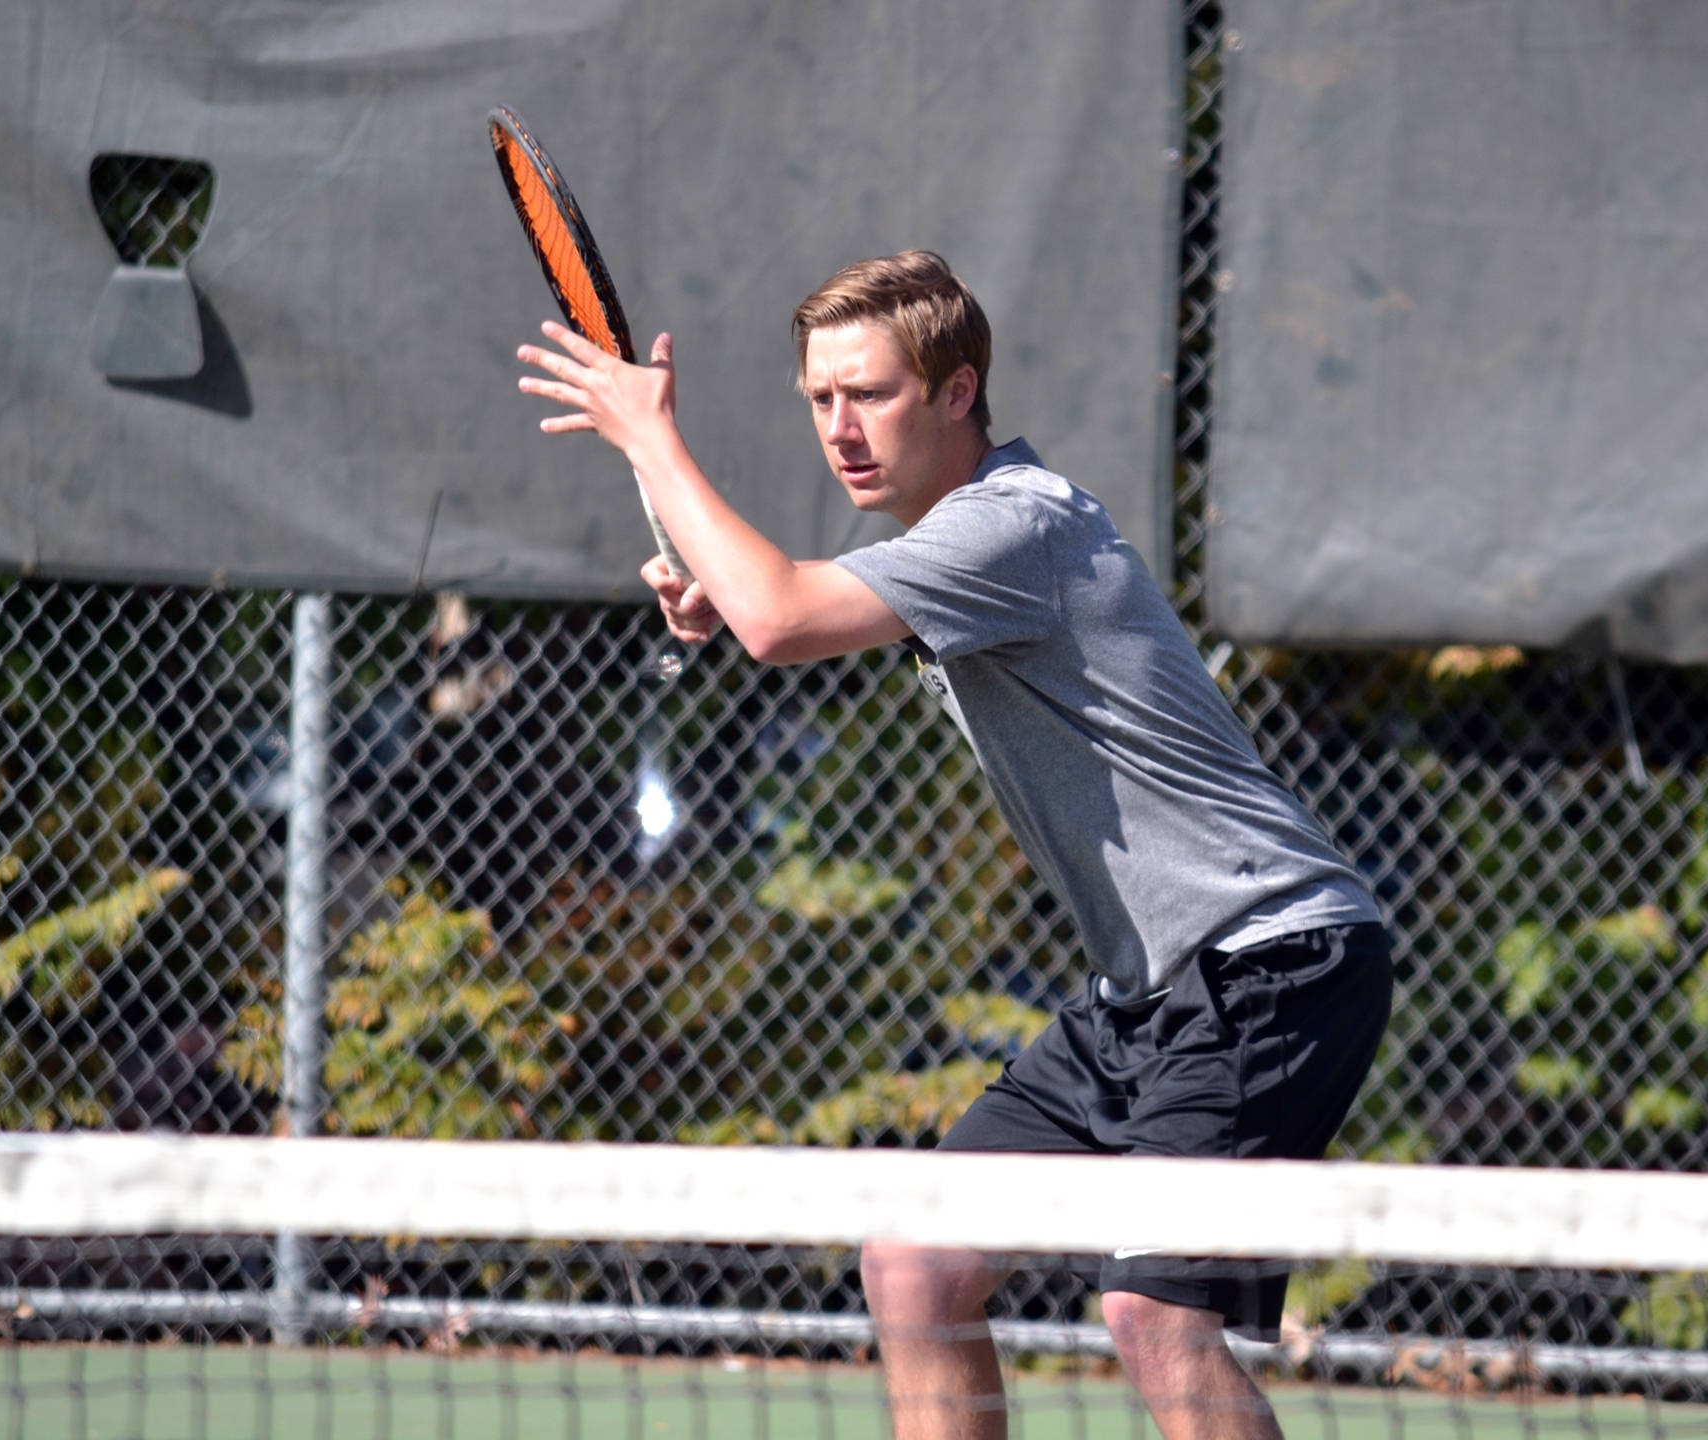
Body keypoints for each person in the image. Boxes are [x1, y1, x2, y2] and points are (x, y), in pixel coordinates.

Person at [517, 250, 1393, 1440]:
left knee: (1150, 1312)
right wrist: (730, 581)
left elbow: (779, 616)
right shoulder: (961, 544)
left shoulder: (1016, 524)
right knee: (915, 1263)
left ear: (956, 391)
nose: (841, 428)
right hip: (1147, 994)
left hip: (1271, 964)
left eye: (870, 394)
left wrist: (648, 437)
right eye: (820, 398)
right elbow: (786, 597)